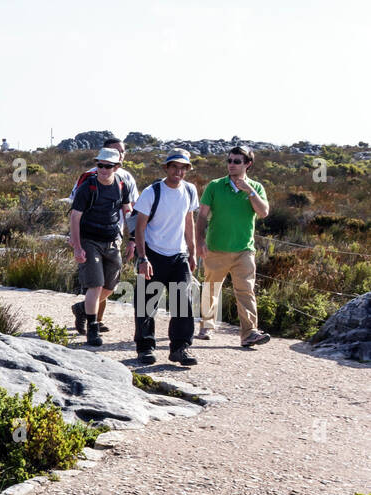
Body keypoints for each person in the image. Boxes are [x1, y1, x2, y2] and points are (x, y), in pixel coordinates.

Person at [196, 145, 272, 348]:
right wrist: (200, 242)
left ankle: (249, 333)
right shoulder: (214, 185)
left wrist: (250, 192)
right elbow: (202, 216)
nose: (231, 165)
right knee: (211, 288)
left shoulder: (256, 188)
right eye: (229, 161)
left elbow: (263, 212)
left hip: (244, 250)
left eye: (237, 161)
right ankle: (206, 326)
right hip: (216, 248)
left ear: (248, 164)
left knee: (246, 291)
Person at [132, 150, 200, 365]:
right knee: (146, 304)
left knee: (183, 303)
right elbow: (140, 228)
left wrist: (193, 252)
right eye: (174, 167)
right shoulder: (152, 192)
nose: (178, 172)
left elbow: (189, 222)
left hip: (178, 255)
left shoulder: (189, 191)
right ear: (166, 168)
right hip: (153, 254)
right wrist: (143, 258)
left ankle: (180, 348)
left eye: (182, 168)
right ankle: (145, 348)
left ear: (187, 170)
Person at [68, 137, 141, 333]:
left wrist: (132, 239)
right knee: (95, 283)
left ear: (116, 165)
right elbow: (75, 211)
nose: (103, 169)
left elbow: (129, 209)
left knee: (109, 283)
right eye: (101, 164)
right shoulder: (87, 181)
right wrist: (75, 242)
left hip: (113, 237)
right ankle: (93, 324)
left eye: (108, 165)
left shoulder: (124, 181)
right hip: (89, 237)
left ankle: (85, 311)